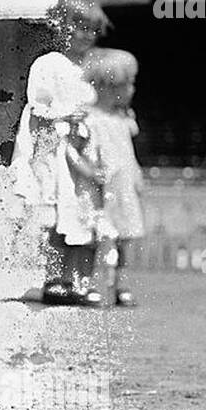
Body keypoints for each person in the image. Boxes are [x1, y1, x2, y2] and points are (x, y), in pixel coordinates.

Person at [10, 0, 110, 305]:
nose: (85, 35)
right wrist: (61, 119)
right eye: (78, 26)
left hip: (86, 151)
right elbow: (37, 112)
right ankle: (54, 279)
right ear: (61, 26)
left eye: (92, 29)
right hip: (57, 152)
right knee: (56, 220)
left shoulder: (97, 68)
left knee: (85, 217)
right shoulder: (49, 64)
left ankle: (80, 281)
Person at [81, 48, 145, 306]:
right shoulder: (92, 119)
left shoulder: (123, 118)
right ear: (109, 86)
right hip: (103, 186)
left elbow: (128, 153)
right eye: (126, 83)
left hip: (124, 186)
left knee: (124, 238)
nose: (131, 89)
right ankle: (94, 283)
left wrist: (137, 175)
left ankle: (121, 285)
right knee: (100, 238)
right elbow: (89, 152)